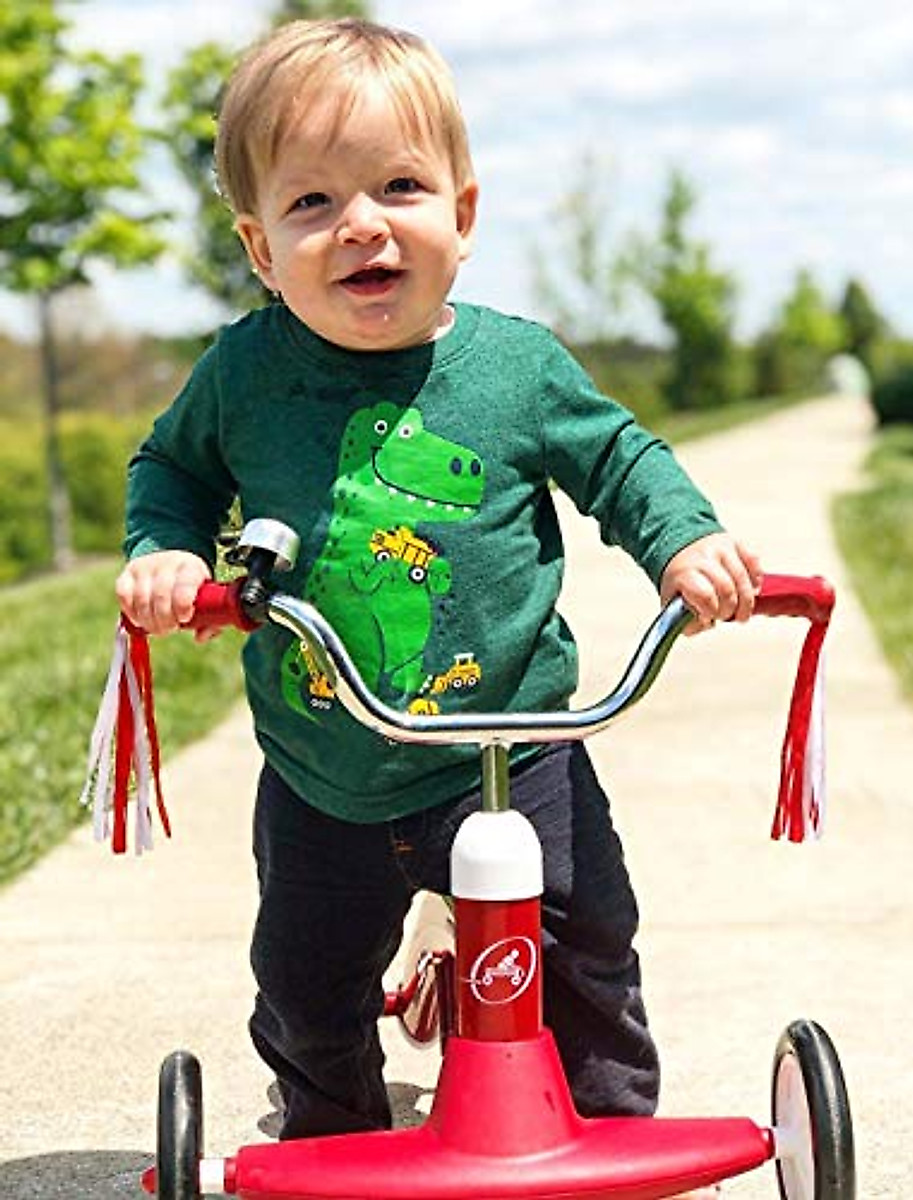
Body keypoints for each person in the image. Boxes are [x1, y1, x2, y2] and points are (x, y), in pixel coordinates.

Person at [117, 16, 758, 1189]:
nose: (360, 224)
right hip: (329, 765)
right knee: (309, 983)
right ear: (263, 250)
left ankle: (609, 1133)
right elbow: (171, 472)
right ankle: (335, 1137)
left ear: (463, 215)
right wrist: (163, 553)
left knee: (585, 953)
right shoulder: (246, 375)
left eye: (399, 188)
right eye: (312, 205)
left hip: (517, 748)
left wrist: (687, 540)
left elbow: (619, 459)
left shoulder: (517, 369)